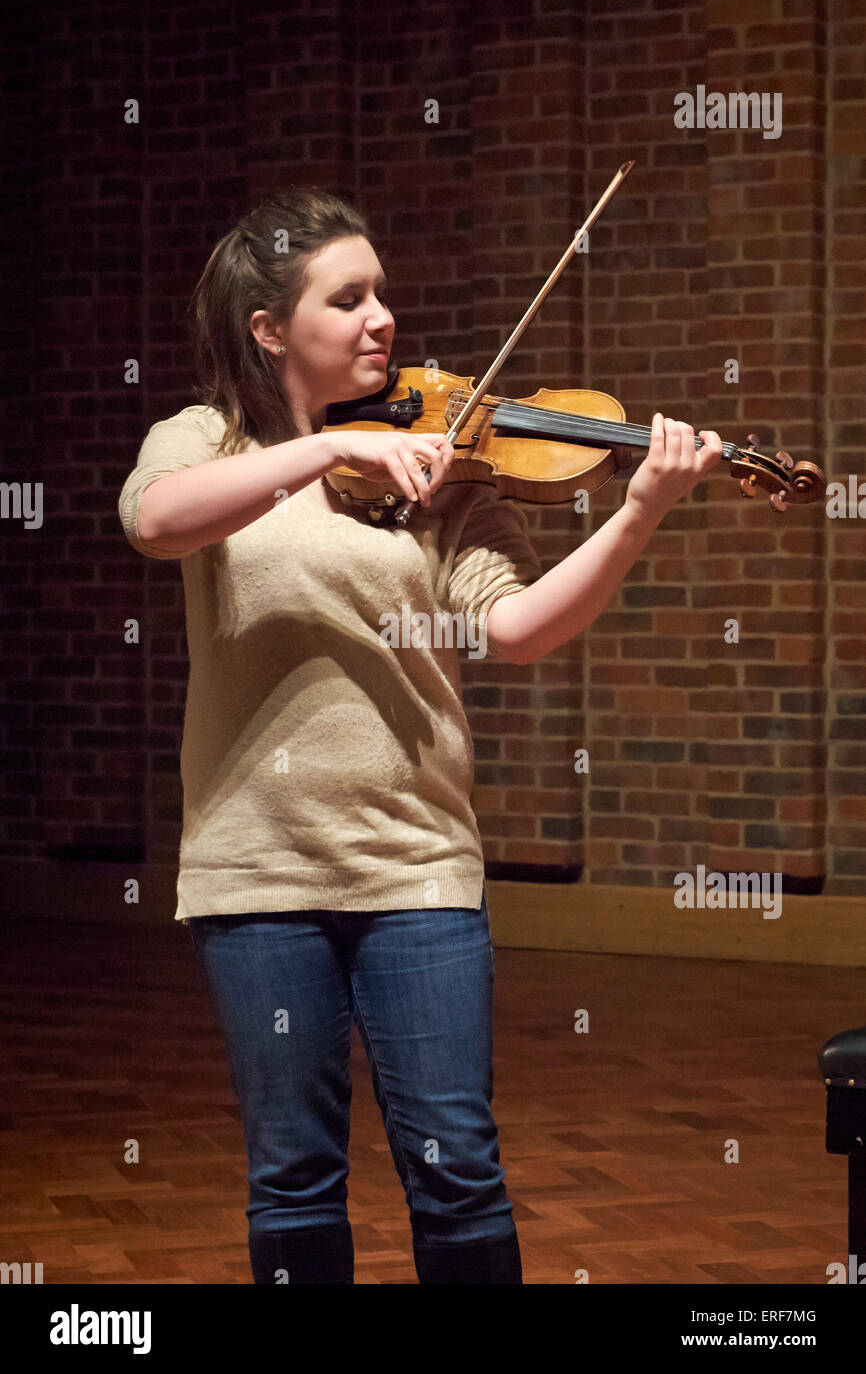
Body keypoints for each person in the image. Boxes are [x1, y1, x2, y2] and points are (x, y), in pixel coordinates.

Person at [118, 187, 723, 1285]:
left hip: (417, 869)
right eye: (346, 298)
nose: (380, 317)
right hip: (256, 870)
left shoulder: (442, 467)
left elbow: (517, 629)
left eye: (381, 293)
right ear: (270, 328)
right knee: (292, 1175)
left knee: (458, 1176)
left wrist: (636, 511)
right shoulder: (207, 439)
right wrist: (320, 450)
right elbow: (155, 522)